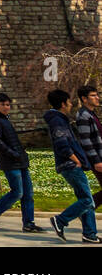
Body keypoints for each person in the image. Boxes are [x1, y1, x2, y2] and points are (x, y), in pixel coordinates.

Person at [44, 89, 99, 242]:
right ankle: (60, 220)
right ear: (62, 104)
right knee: (88, 200)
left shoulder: (60, 119)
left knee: (85, 199)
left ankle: (89, 234)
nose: (71, 104)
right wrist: (76, 160)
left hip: (71, 164)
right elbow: (62, 145)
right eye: (68, 101)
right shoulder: (57, 121)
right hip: (69, 165)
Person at [0, 93, 43, 232]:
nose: (6, 107)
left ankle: (28, 223)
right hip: (10, 162)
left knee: (28, 194)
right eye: (3, 104)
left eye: (8, 104)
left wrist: (21, 155)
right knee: (17, 193)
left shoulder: (4, 119)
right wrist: (13, 154)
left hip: (20, 161)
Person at [74, 83, 102, 208]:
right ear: (84, 99)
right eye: (93, 96)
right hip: (97, 160)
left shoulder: (91, 114)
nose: (97, 98)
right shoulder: (83, 116)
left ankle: (83, 211)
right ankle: (80, 211)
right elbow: (85, 141)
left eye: (97, 95)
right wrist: (96, 161)